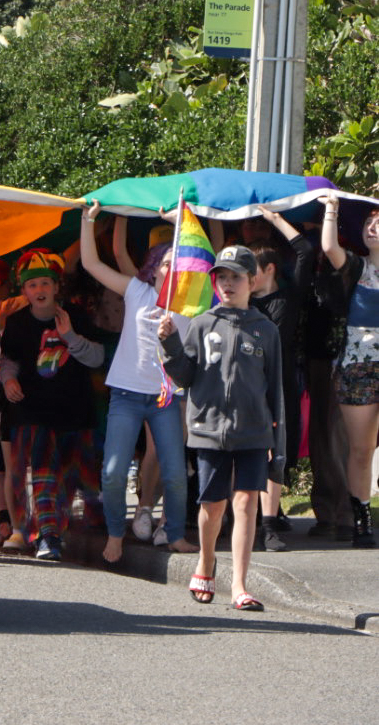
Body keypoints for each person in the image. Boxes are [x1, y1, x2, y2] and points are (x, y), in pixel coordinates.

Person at [160, 245, 285, 610]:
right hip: (209, 429)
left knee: (245, 503)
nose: (228, 284)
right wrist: (169, 343)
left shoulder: (266, 330)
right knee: (213, 505)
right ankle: (205, 560)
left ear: (253, 281)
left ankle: (240, 585)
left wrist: (277, 440)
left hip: (254, 430)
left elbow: (275, 389)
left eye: (236, 277)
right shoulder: (202, 324)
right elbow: (184, 376)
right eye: (222, 277)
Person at [79, 203, 199, 561]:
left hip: (167, 398)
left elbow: (203, 261)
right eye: (166, 263)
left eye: (178, 264)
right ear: (154, 268)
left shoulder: (191, 304)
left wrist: (181, 222)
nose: (172, 268)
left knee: (175, 473)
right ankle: (116, 534)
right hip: (127, 395)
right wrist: (88, 220)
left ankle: (174, 535)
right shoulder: (137, 291)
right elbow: (92, 264)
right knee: (113, 472)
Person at [0, 249, 105, 561]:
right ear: (24, 291)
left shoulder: (77, 316)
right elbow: (8, 361)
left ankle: (79, 526)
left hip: (74, 409)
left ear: (57, 287)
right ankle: (48, 536)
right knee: (43, 472)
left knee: (78, 477)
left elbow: (97, 357)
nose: (40, 289)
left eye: (45, 283)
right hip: (34, 410)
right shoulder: (16, 322)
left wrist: (70, 336)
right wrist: (8, 380)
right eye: (33, 285)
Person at [248, 205, 317, 551]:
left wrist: (276, 220)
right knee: (250, 453)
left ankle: (270, 524)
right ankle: (252, 521)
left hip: (281, 386)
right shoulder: (242, 305)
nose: (243, 278)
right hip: (248, 388)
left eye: (250, 270)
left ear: (270, 269)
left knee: (278, 455)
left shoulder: (289, 297)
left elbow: (305, 252)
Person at [316, 192, 379, 548]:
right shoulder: (356, 267)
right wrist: (332, 208)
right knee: (361, 449)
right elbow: (329, 247)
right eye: (369, 222)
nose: (372, 227)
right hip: (359, 367)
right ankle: (361, 521)